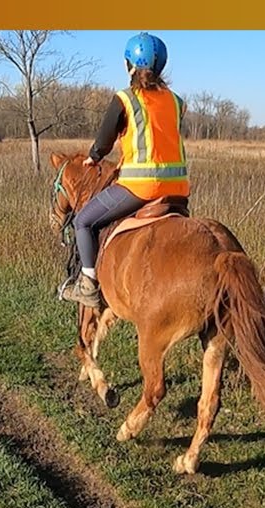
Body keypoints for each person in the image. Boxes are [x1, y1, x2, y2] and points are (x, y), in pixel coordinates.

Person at [61, 32, 190, 308]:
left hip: (139, 187)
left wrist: (94, 157)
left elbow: (104, 141)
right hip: (178, 190)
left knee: (82, 221)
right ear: (161, 66)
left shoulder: (125, 99)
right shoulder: (178, 102)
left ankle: (88, 285)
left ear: (127, 64)